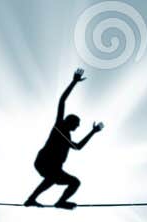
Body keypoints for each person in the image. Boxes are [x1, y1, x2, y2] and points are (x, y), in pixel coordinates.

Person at [25, 69, 104, 209]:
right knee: (53, 177)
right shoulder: (59, 125)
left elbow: (78, 147)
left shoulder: (67, 137)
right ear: (70, 121)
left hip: (55, 168)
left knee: (74, 182)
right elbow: (62, 101)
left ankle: (59, 202)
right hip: (43, 162)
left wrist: (93, 132)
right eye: (77, 125)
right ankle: (32, 199)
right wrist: (74, 82)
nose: (77, 128)